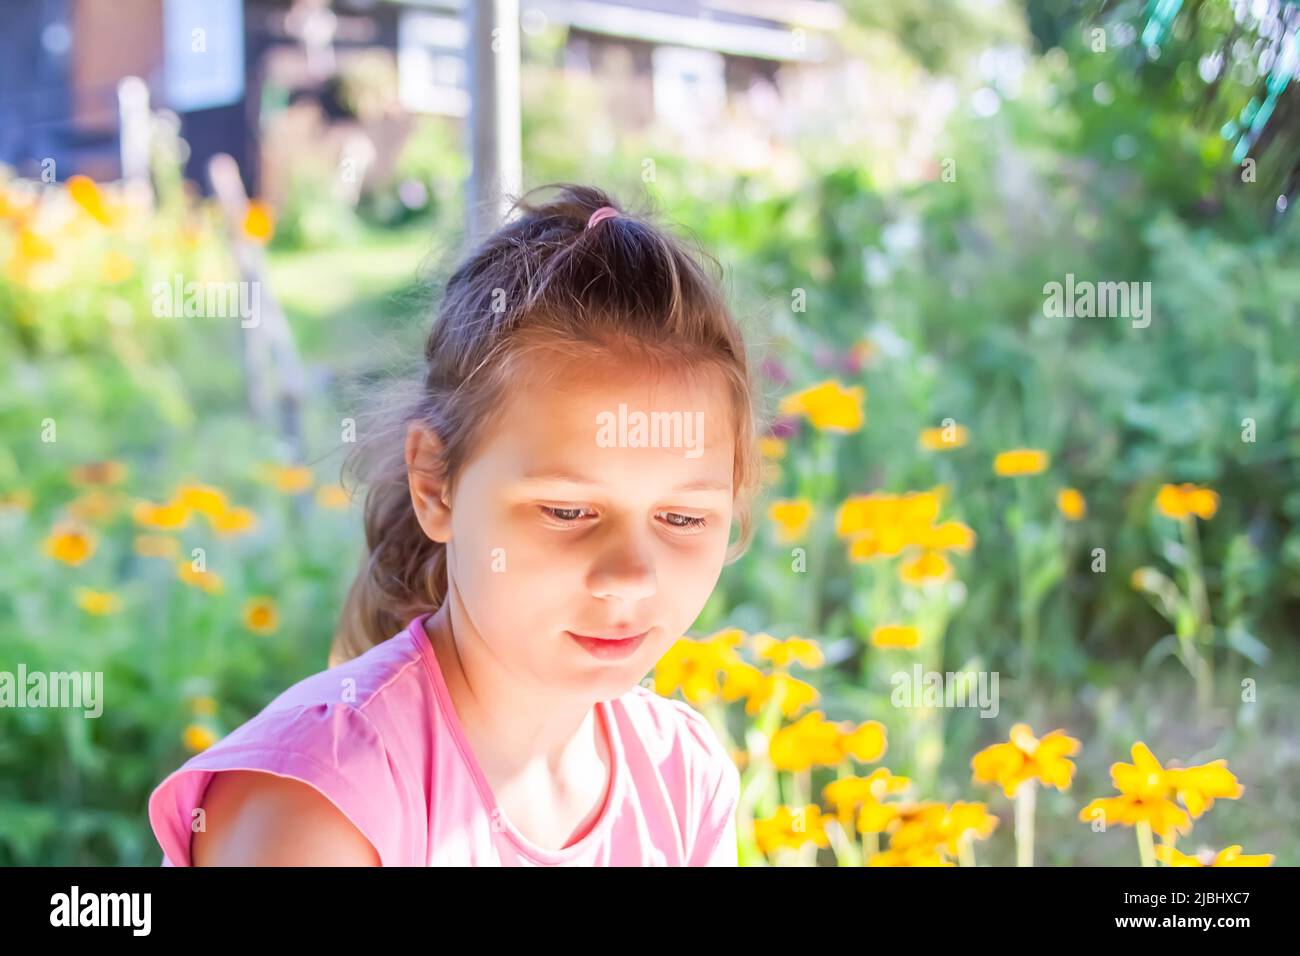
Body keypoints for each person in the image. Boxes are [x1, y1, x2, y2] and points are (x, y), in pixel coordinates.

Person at [148, 183, 765, 865]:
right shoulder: (318, 804)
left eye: (683, 517)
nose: (629, 579)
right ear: (435, 484)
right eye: (567, 511)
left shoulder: (684, 779)